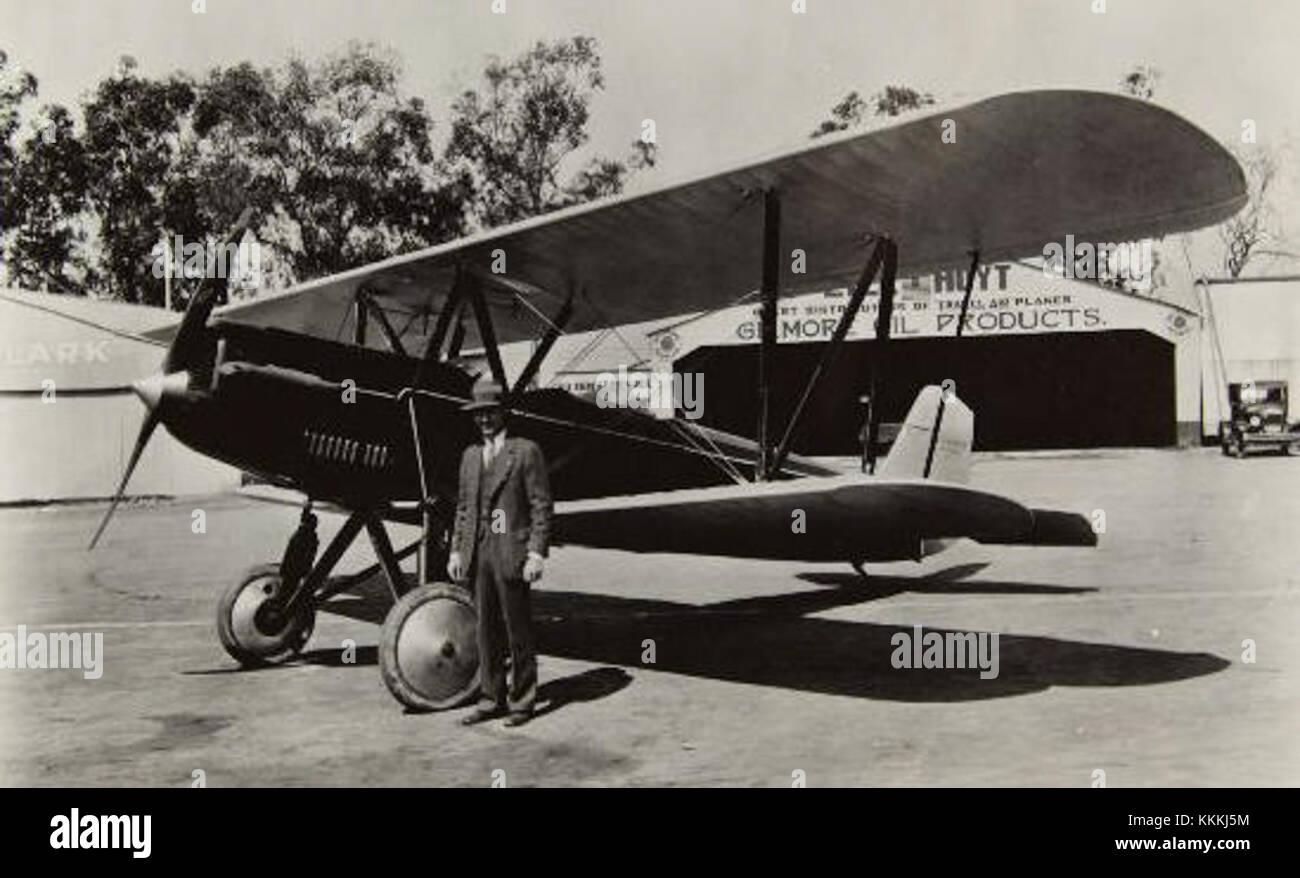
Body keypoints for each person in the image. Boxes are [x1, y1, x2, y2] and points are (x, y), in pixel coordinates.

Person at [448, 376, 553, 727]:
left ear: (503, 412)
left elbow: (541, 506)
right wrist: (456, 552)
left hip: (511, 551)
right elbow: (463, 508)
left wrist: (536, 553)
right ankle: (491, 697)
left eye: (490, 412)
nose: (484, 420)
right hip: (479, 553)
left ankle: (522, 700)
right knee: (485, 630)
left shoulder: (525, 451)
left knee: (516, 629)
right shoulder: (470, 456)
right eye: (478, 414)